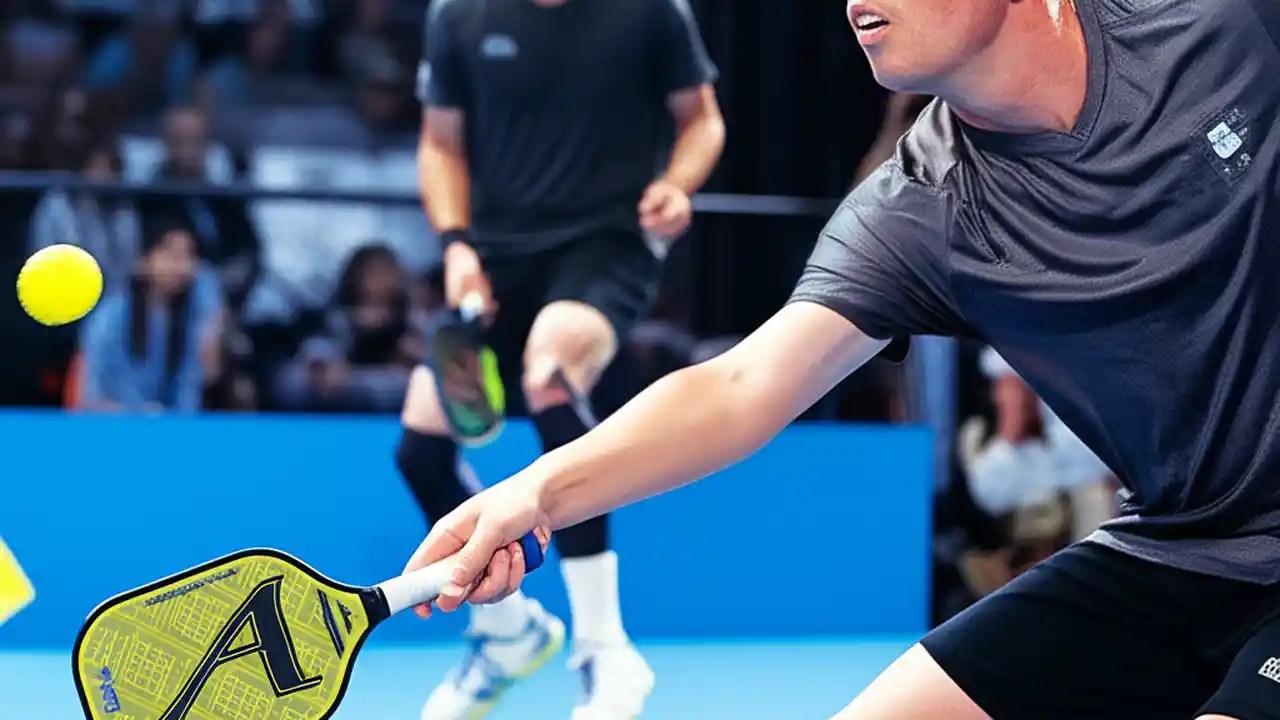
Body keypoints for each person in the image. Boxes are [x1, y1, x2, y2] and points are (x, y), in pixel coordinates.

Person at [403, 0, 1280, 718]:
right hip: (1181, 549)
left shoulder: (1215, 22)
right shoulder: (920, 209)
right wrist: (533, 491)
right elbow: (741, 386)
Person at [400, 0, 724, 718]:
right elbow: (440, 143)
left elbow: (702, 119)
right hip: (494, 258)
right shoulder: (458, 15)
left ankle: (605, 648)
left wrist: (677, 185)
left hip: (606, 247)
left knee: (549, 377)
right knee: (420, 444)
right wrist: (455, 244)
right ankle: (507, 634)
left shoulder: (652, 12)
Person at [79, 216, 218, 413]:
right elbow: (90, 396)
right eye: (172, 255)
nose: (182, 267)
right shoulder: (110, 317)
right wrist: (138, 414)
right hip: (113, 423)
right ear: (144, 260)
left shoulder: (189, 317)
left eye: (189, 256)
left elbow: (191, 392)